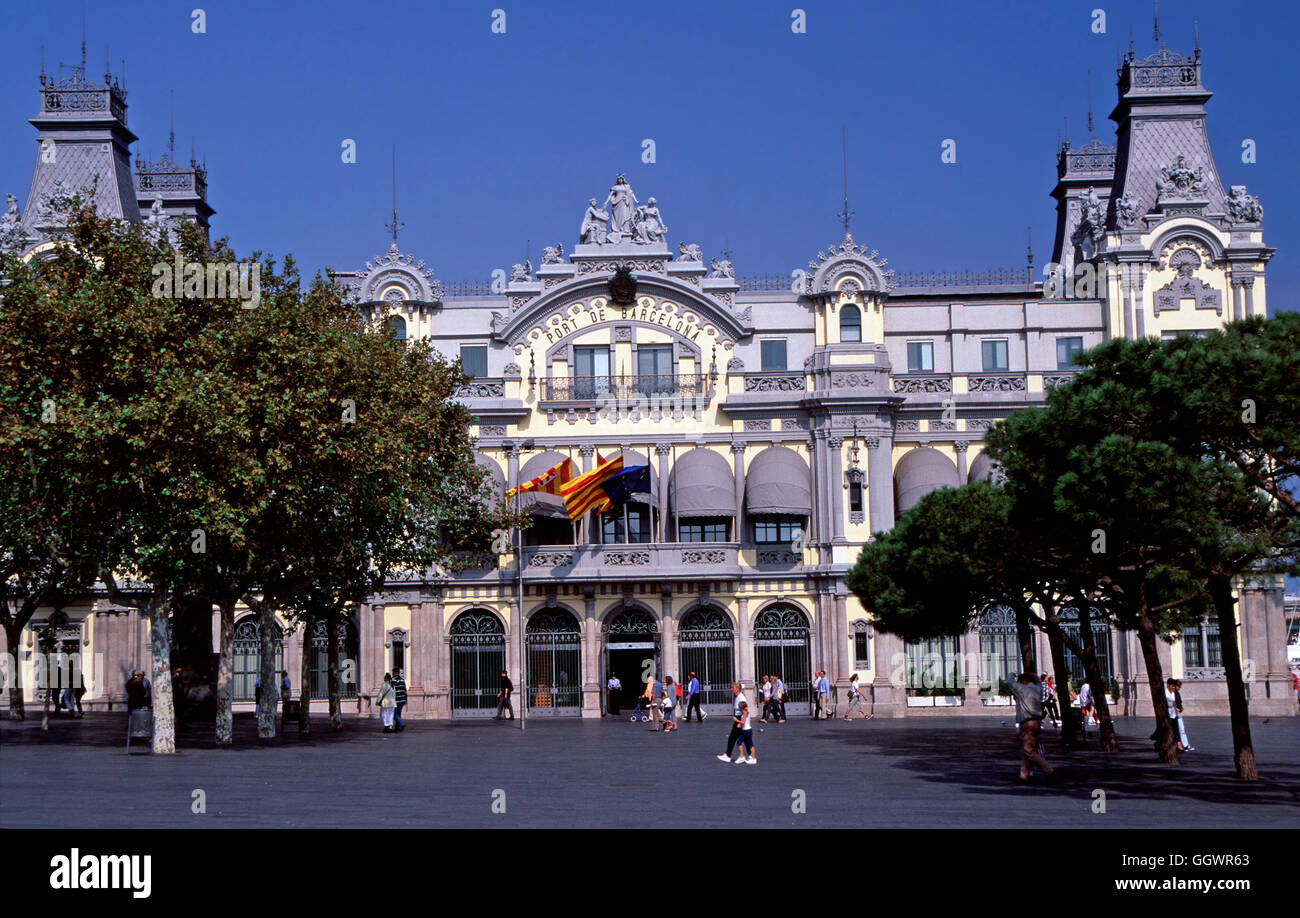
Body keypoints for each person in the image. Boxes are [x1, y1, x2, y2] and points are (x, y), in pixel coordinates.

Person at [1007, 673, 1055, 781]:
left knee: (1029, 750)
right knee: (1028, 748)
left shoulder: (1021, 689)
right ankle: (1024, 775)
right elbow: (1038, 682)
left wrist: (1012, 675)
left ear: (1023, 681)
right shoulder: (1038, 688)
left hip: (1027, 721)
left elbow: (1009, 682)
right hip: (1037, 721)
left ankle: (1048, 770)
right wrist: (1034, 675)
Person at [716, 683, 755, 764]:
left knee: (733, 738)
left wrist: (740, 722)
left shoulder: (741, 698)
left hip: (739, 718)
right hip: (738, 718)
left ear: (737, 689)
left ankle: (729, 755)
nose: (731, 689)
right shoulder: (738, 697)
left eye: (732, 687)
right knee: (744, 739)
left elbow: (744, 710)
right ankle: (750, 755)